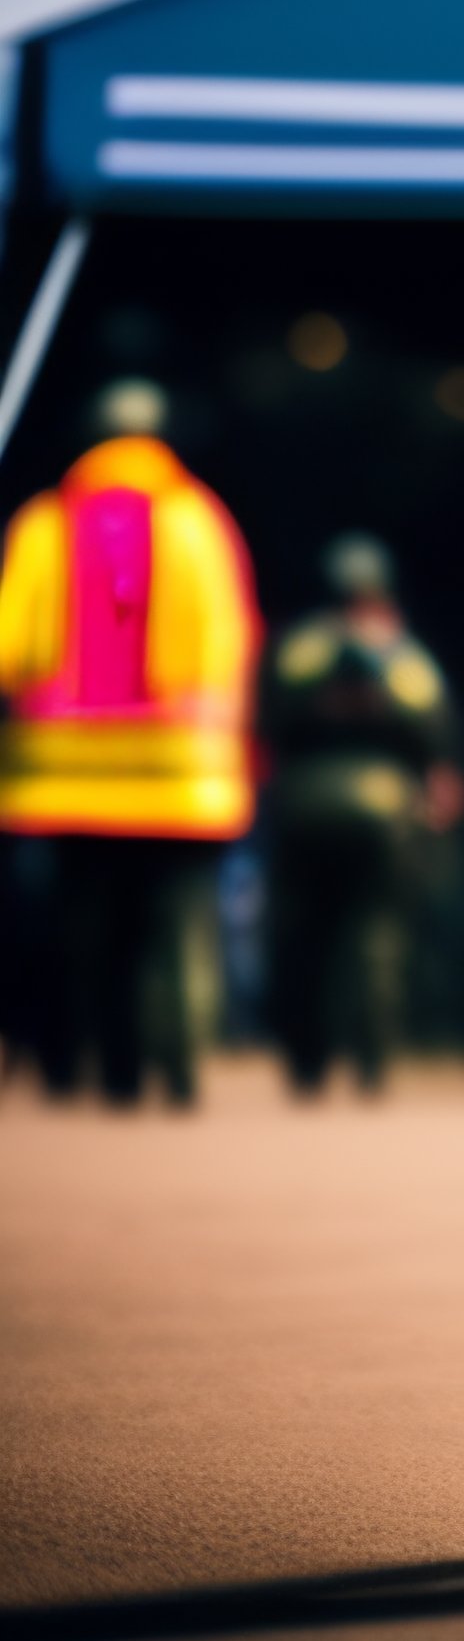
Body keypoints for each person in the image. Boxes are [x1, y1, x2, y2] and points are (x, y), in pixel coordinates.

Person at [0, 384, 259, 1103]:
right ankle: (173, 1068)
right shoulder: (199, 522)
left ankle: (82, 1069)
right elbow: (230, 640)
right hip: (178, 784)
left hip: (66, 783)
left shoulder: (45, 524)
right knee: (172, 933)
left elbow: (11, 644)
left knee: (81, 931)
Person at [262, 535, 462, 1094]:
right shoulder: (401, 652)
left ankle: (307, 1061)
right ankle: (373, 1057)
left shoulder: (301, 647)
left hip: (305, 802)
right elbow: (434, 731)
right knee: (376, 931)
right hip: (384, 809)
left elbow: (273, 719)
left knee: (304, 932)